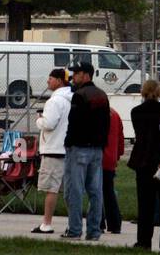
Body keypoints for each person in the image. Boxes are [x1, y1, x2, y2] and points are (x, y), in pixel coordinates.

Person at [128, 80, 160, 253]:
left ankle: (143, 241)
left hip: (143, 160)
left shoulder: (136, 112)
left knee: (145, 204)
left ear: (142, 92)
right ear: (159, 93)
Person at [62, 60, 110, 241]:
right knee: (95, 192)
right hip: (97, 149)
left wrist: (69, 143)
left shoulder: (80, 95)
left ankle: (74, 230)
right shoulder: (102, 95)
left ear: (85, 75)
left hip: (79, 147)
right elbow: (107, 123)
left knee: (73, 191)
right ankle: (94, 231)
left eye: (76, 73)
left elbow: (74, 123)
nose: (73, 76)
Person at [31, 68, 72, 235]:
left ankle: (46, 224)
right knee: (69, 190)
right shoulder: (71, 99)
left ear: (59, 81)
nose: (48, 81)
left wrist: (39, 120)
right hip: (67, 150)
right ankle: (72, 223)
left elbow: (49, 124)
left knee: (51, 189)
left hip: (53, 149)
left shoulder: (54, 101)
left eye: (50, 78)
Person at [101, 104, 125, 235]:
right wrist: (118, 155)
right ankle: (115, 223)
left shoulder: (97, 114)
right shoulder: (115, 114)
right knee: (108, 191)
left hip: (98, 157)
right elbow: (120, 137)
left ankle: (98, 222)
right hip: (111, 157)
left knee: (96, 191)